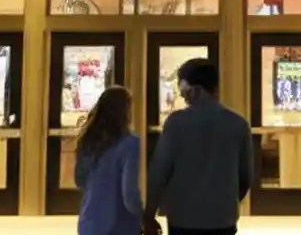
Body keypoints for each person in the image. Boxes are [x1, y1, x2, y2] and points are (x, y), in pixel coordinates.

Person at [146, 58, 252, 235]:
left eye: (183, 90)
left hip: (184, 218)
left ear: (195, 89)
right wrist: (226, 202)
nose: (182, 96)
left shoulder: (176, 123)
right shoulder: (238, 124)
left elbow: (159, 173)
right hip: (222, 219)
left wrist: (149, 214)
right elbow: (245, 177)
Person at [74, 86, 141, 235]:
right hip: (120, 225)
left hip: (89, 222)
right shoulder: (130, 143)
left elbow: (79, 180)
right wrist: (145, 217)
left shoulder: (87, 141)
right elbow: (129, 194)